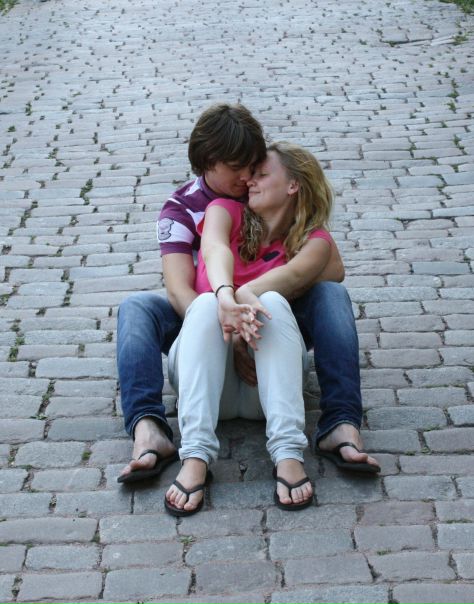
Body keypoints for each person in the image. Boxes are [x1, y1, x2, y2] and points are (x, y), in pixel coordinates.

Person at [116, 102, 379, 487]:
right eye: (237, 168)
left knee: (330, 295)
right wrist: (228, 321)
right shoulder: (184, 209)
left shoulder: (268, 194)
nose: (247, 178)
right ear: (208, 163)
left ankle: (341, 421)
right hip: (204, 317)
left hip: (270, 319)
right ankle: (148, 428)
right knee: (137, 307)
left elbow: (332, 268)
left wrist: (264, 293)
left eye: (254, 167)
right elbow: (179, 287)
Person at [165, 142, 341, 515]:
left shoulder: (315, 243)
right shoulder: (223, 210)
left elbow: (291, 277)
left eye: (261, 174)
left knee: (272, 300)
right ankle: (195, 456)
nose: (249, 182)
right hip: (211, 384)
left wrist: (243, 300)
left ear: (293, 185)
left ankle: (288, 453)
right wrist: (225, 298)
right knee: (206, 304)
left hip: (265, 386)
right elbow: (214, 250)